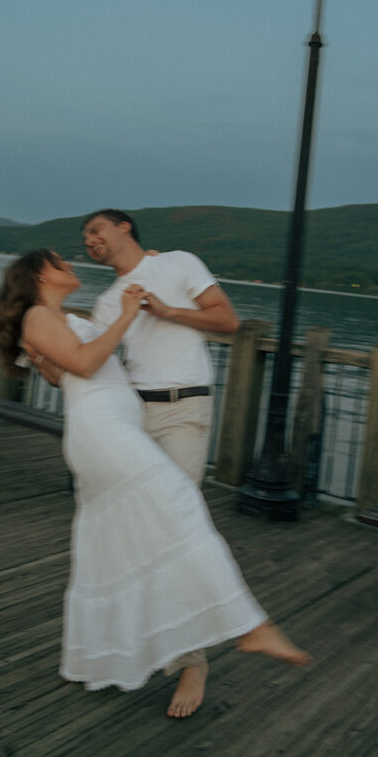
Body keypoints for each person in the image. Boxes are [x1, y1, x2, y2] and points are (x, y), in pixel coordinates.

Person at [0, 248, 311, 718]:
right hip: (104, 433)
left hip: (111, 426)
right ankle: (247, 625)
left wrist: (53, 364)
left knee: (114, 544)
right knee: (178, 503)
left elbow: (74, 370)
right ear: (41, 273)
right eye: (62, 261)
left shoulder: (52, 317)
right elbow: (86, 364)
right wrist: (123, 315)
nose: (72, 263)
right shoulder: (39, 315)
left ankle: (102, 655)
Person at [81, 209, 239, 715]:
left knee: (171, 530)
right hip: (132, 413)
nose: (89, 241)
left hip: (183, 409)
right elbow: (95, 360)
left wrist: (169, 312)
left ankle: (191, 661)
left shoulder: (178, 263)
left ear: (124, 228)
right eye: (84, 238)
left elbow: (227, 321)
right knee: (125, 534)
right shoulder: (108, 301)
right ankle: (123, 652)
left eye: (95, 231)